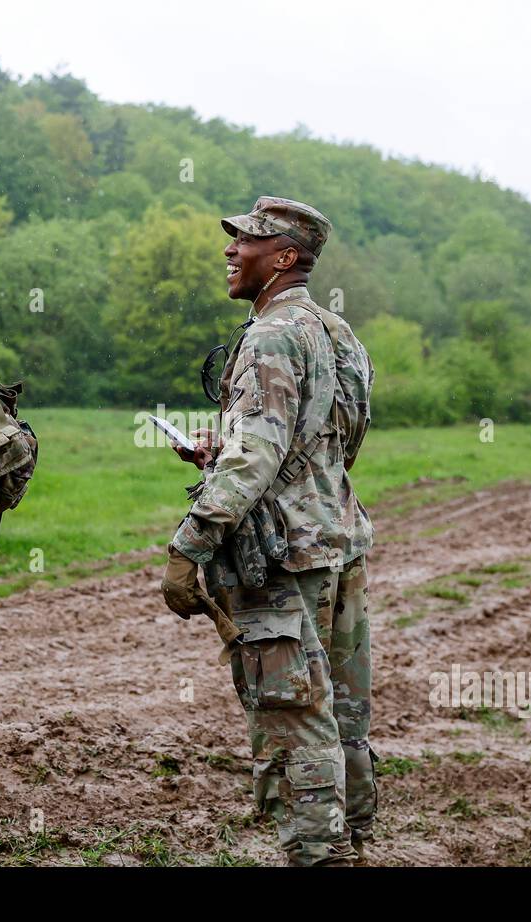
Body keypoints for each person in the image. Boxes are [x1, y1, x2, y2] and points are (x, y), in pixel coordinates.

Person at [161, 197, 377, 866]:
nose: (231, 250)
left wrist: (186, 547)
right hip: (336, 544)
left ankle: (320, 854)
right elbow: (330, 446)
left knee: (291, 718)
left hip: (276, 561)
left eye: (246, 242)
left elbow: (259, 456)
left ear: (283, 258)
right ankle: (356, 840)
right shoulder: (337, 332)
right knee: (342, 712)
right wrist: (220, 450)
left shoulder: (269, 335)